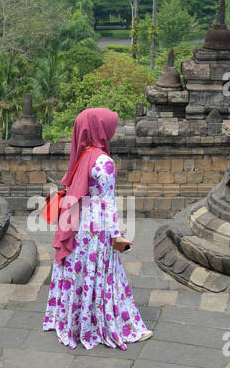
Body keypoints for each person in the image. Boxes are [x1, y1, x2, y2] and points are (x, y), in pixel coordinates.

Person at [42, 107, 152, 350]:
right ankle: (112, 325)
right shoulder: (104, 162)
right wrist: (117, 236)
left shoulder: (84, 155)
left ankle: (74, 323)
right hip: (97, 227)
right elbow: (108, 203)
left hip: (77, 225)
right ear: (100, 129)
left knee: (81, 273)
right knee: (105, 275)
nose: (111, 131)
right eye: (109, 126)